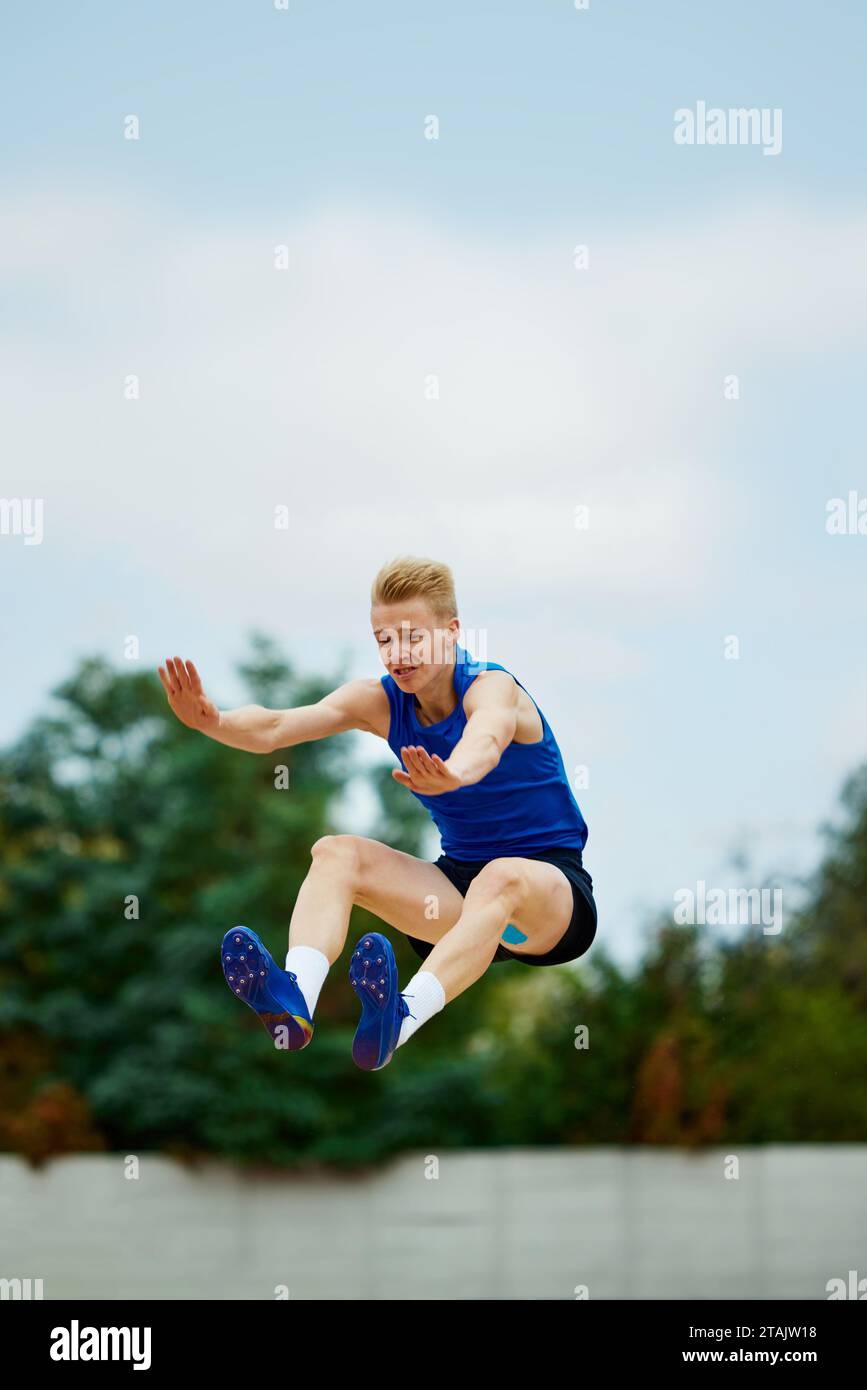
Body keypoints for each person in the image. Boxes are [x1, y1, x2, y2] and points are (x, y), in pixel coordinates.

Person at [157, 556, 597, 1071]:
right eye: (384, 639)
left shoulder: (490, 686)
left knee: (501, 877)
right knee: (336, 853)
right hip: (456, 901)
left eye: (412, 637)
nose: (397, 653)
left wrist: (455, 772)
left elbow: (489, 735)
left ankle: (401, 1019)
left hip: (550, 897)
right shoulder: (381, 702)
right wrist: (214, 722)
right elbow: (277, 726)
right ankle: (295, 996)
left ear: (452, 632)